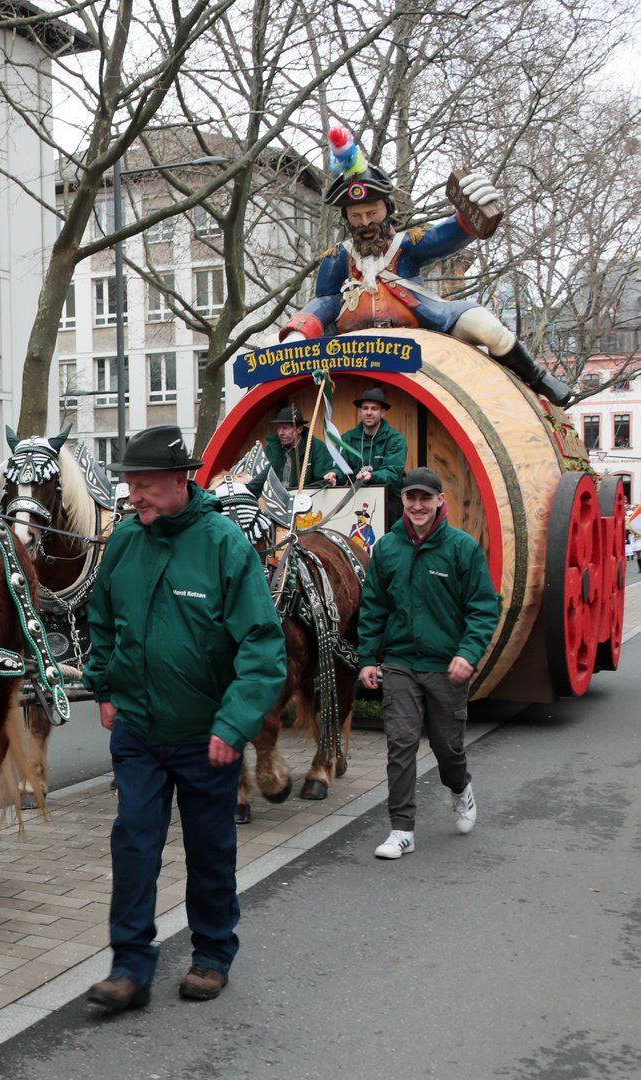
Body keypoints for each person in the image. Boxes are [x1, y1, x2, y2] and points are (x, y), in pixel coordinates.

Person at [83, 425, 286, 1010]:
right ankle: (129, 968)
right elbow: (103, 619)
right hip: (138, 731)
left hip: (206, 736)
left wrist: (234, 722)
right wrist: (105, 686)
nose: (133, 496)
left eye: (145, 485)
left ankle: (212, 955)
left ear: (180, 480)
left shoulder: (224, 544)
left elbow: (262, 645)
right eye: (129, 485)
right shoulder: (125, 541)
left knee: (210, 849)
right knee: (133, 844)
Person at [280, 134, 570, 405]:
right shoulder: (337, 257)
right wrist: (299, 331)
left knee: (488, 328)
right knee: (275, 346)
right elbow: (327, 302)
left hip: (425, 323)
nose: (365, 223)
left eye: (372, 213)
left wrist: (473, 209)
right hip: (352, 344)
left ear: (387, 210)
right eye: (356, 216)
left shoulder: (407, 245)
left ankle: (539, 379)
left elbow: (446, 236)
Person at [356, 467, 498, 860]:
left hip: (445, 664)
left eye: (425, 498)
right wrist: (368, 658)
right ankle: (402, 830)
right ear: (402, 500)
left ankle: (460, 787)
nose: (418, 505)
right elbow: (374, 607)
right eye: (411, 498)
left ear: (440, 501)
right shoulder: (387, 547)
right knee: (400, 744)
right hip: (400, 661)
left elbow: (483, 609)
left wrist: (467, 653)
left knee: (446, 747)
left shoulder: (462, 547)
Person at [339, 387, 407, 529]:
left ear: (383, 412)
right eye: (365, 408)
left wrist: (372, 476)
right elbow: (340, 467)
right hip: (356, 497)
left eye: (374, 409)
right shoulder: (347, 438)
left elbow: (393, 473)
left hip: (388, 499)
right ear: (359, 412)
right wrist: (334, 474)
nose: (369, 412)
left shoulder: (395, 439)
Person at [261, 405, 338, 489]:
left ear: (299, 429)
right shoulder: (271, 449)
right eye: (279, 428)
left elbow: (324, 477)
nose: (281, 433)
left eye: (286, 428)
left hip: (306, 496)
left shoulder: (316, 447)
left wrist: (330, 477)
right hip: (274, 496)